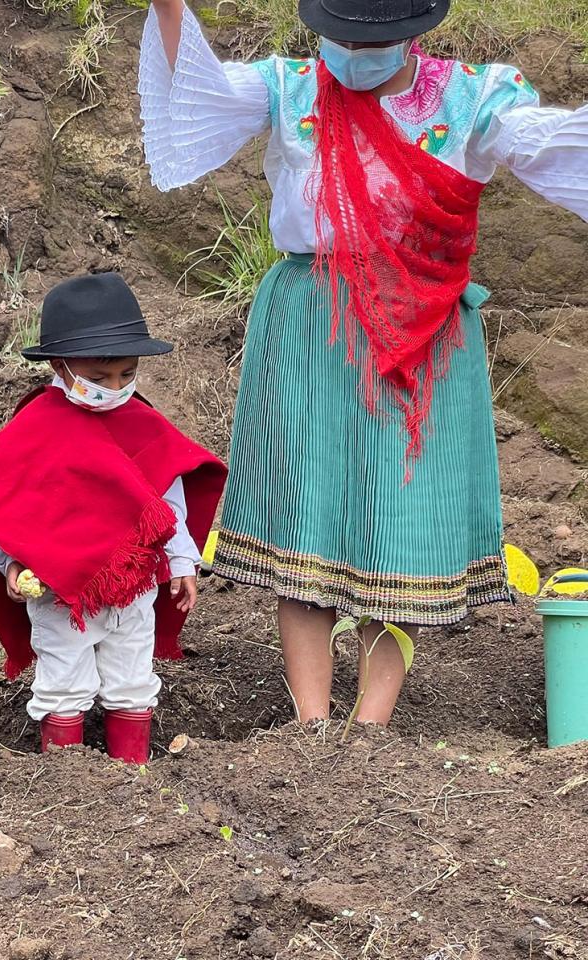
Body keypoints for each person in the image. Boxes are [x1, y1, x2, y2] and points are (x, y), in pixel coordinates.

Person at [139, 0, 588, 726]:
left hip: (423, 326)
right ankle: (312, 724)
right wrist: (166, 7)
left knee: (401, 520)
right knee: (308, 516)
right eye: (341, 36)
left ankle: (369, 729)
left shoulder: (474, 97)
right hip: (311, 321)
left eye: (372, 39)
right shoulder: (288, 87)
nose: (355, 51)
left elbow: (549, 143)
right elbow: (198, 94)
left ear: (413, 32)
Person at [0, 273, 225, 762]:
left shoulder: (142, 422)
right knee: (63, 677)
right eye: (99, 376)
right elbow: (1, 506)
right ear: (59, 365)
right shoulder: (34, 428)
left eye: (127, 375)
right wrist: (10, 563)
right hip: (55, 589)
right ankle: (66, 776)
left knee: (132, 674)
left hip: (132, 584)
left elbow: (169, 496)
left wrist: (181, 561)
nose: (115, 387)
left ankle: (130, 769)